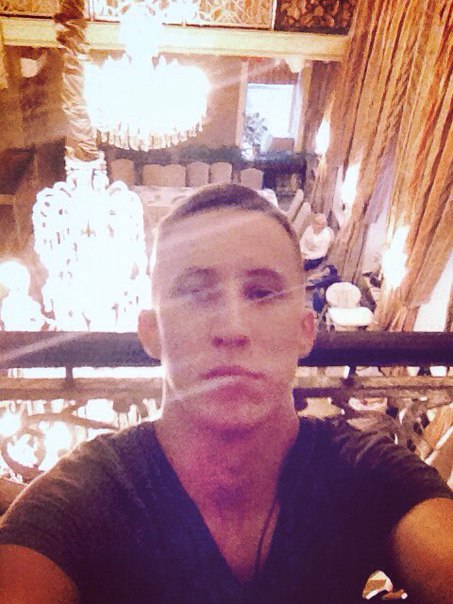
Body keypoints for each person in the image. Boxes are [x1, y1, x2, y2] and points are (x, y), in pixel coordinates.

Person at [0, 184, 452, 604]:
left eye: (262, 293)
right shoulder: (86, 495)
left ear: (304, 330)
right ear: (152, 332)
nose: (232, 329)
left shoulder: (364, 470)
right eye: (195, 294)